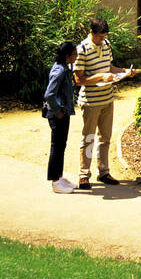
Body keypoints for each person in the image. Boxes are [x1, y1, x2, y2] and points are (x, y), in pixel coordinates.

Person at [72, 18, 134, 189]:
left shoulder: (106, 44)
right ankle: (84, 174)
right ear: (91, 32)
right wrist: (100, 77)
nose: (101, 40)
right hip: (91, 102)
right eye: (99, 37)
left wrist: (124, 72)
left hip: (107, 98)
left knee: (105, 138)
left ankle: (104, 171)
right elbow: (79, 79)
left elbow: (109, 67)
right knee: (89, 138)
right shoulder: (81, 49)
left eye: (104, 37)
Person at [43, 41, 78, 193]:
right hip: (58, 115)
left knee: (61, 145)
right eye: (74, 54)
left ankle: (59, 176)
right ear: (67, 55)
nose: (76, 57)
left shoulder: (65, 68)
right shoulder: (59, 71)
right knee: (56, 147)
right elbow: (49, 95)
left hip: (63, 113)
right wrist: (58, 112)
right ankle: (55, 182)